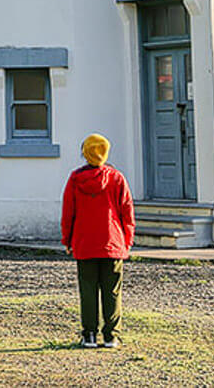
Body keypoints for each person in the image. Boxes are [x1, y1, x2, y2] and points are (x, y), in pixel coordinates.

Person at [60, 132, 135, 348]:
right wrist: (127, 240)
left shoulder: (75, 179)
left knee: (88, 290)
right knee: (112, 291)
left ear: (85, 153)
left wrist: (67, 240)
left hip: (84, 242)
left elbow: (68, 212)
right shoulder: (117, 178)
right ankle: (111, 336)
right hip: (112, 242)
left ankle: (89, 334)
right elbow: (127, 212)